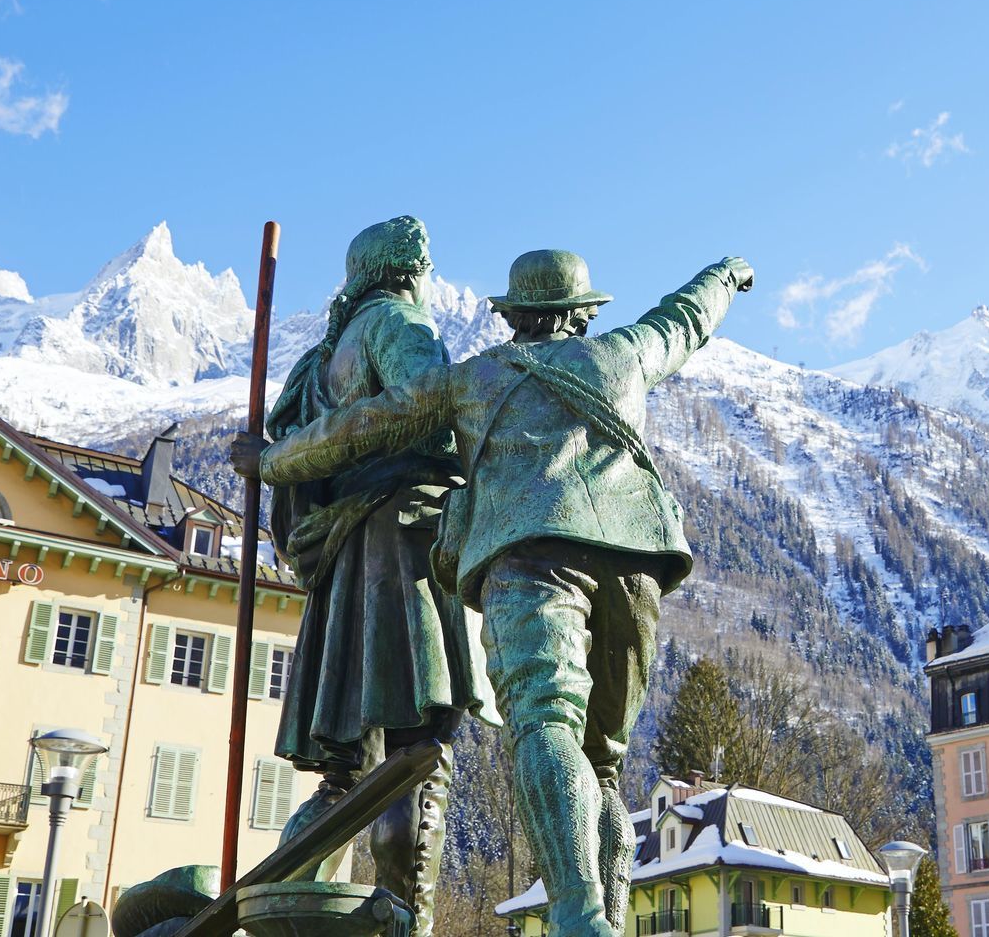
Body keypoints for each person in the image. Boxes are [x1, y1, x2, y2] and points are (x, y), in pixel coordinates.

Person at [233, 249, 752, 937]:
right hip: (635, 563)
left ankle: (578, 916)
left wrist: (268, 461)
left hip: (526, 557)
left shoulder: (469, 380)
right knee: (601, 767)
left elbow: (355, 429)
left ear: (514, 317)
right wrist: (726, 273)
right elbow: (687, 316)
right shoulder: (625, 352)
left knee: (546, 723)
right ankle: (611, 916)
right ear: (581, 314)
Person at [238, 216, 492, 935]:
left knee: (343, 777)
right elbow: (427, 404)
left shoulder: (316, 364)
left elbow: (291, 482)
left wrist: (275, 462)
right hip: (403, 547)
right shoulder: (398, 321)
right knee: (418, 748)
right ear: (406, 269)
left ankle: (274, 917)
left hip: (346, 555)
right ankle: (408, 922)